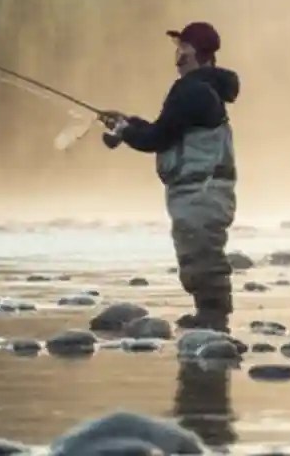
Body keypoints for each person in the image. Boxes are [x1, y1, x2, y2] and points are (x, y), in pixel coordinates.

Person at [101, 22, 240, 332]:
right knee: (199, 250)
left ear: (197, 54)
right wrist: (128, 124)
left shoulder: (191, 90)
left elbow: (157, 138)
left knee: (201, 251)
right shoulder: (204, 89)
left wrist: (126, 131)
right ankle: (210, 314)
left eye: (183, 48)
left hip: (201, 190)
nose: (177, 54)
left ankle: (214, 318)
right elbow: (164, 130)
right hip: (206, 190)